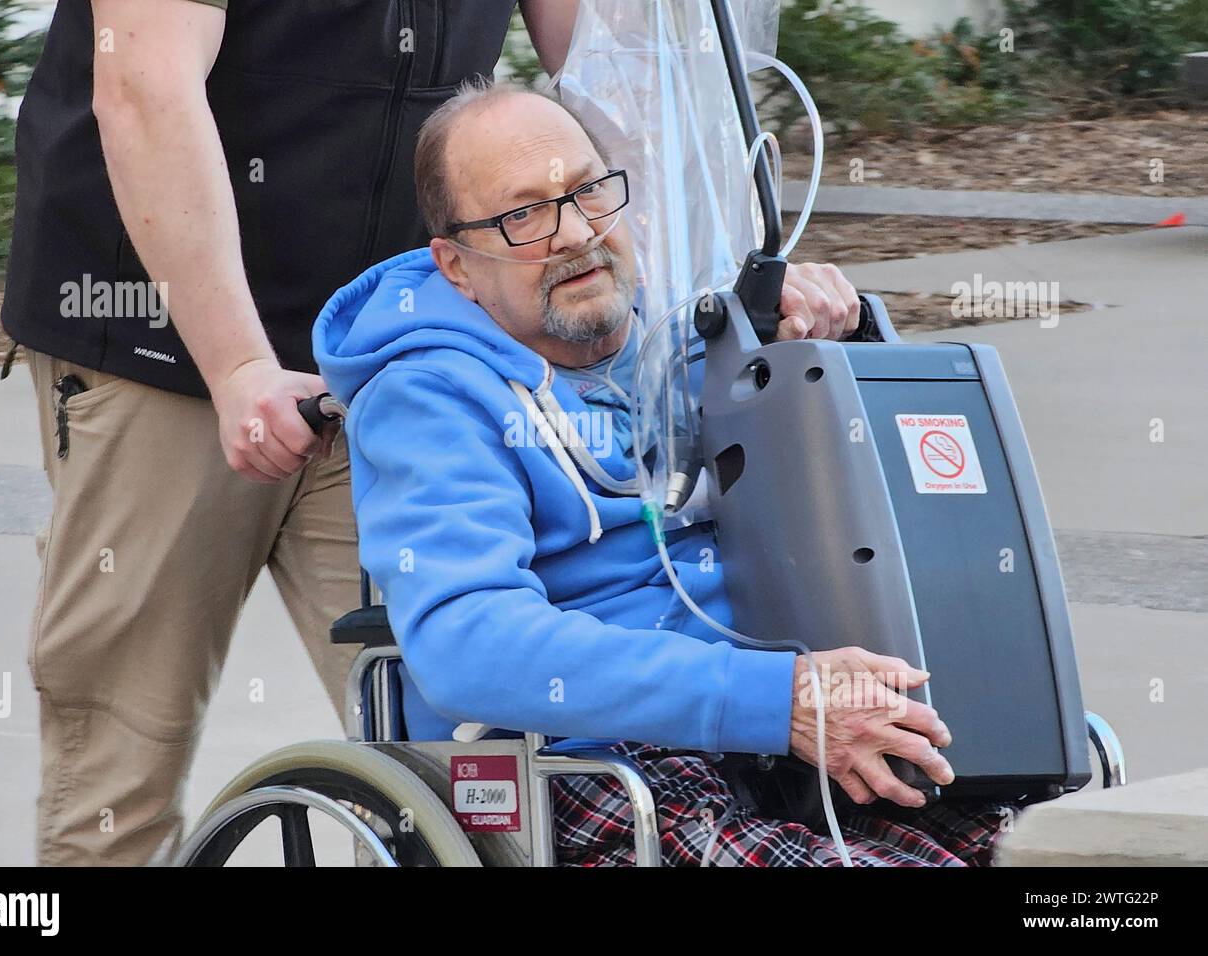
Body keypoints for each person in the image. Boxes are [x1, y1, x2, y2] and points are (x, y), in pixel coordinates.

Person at [313, 81, 1021, 866]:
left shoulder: (693, 335)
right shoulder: (427, 399)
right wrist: (770, 699)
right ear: (455, 266)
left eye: (587, 191)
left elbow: (884, 504)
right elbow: (467, 642)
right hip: (588, 756)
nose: (575, 233)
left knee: (1054, 858)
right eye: (523, 215)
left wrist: (838, 338)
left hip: (787, 718)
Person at [1, 0, 580, 866]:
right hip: (157, 342)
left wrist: (724, 276)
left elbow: (620, 63)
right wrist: (238, 368)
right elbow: (145, 84)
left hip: (393, 347)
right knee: (123, 757)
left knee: (472, 760)